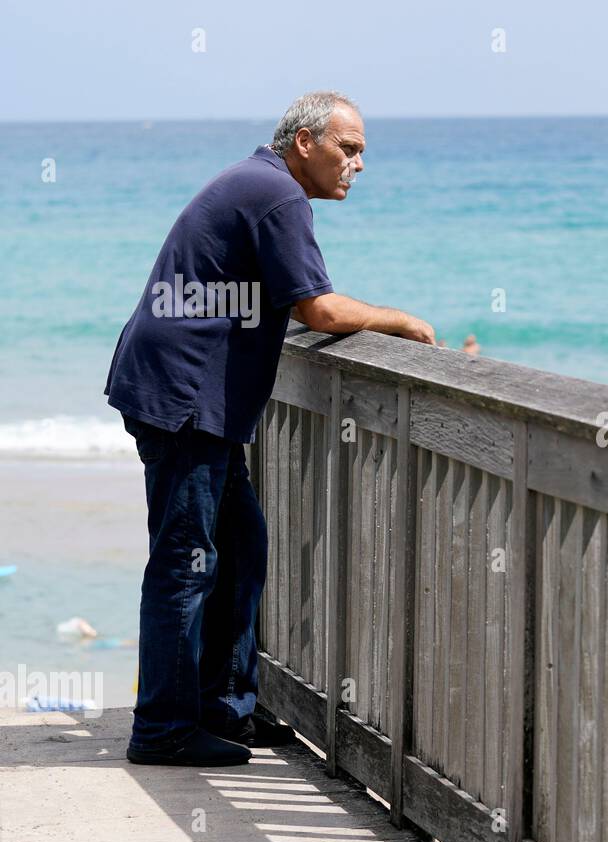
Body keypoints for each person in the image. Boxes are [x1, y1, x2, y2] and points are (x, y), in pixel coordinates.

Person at [104, 91, 436, 767]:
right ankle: (162, 731)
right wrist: (400, 320)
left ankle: (227, 711)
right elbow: (317, 309)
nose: (359, 164)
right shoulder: (277, 195)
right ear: (305, 144)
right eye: (349, 148)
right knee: (185, 562)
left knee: (241, 546)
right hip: (185, 397)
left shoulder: (257, 183)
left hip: (186, 393)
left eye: (363, 151)